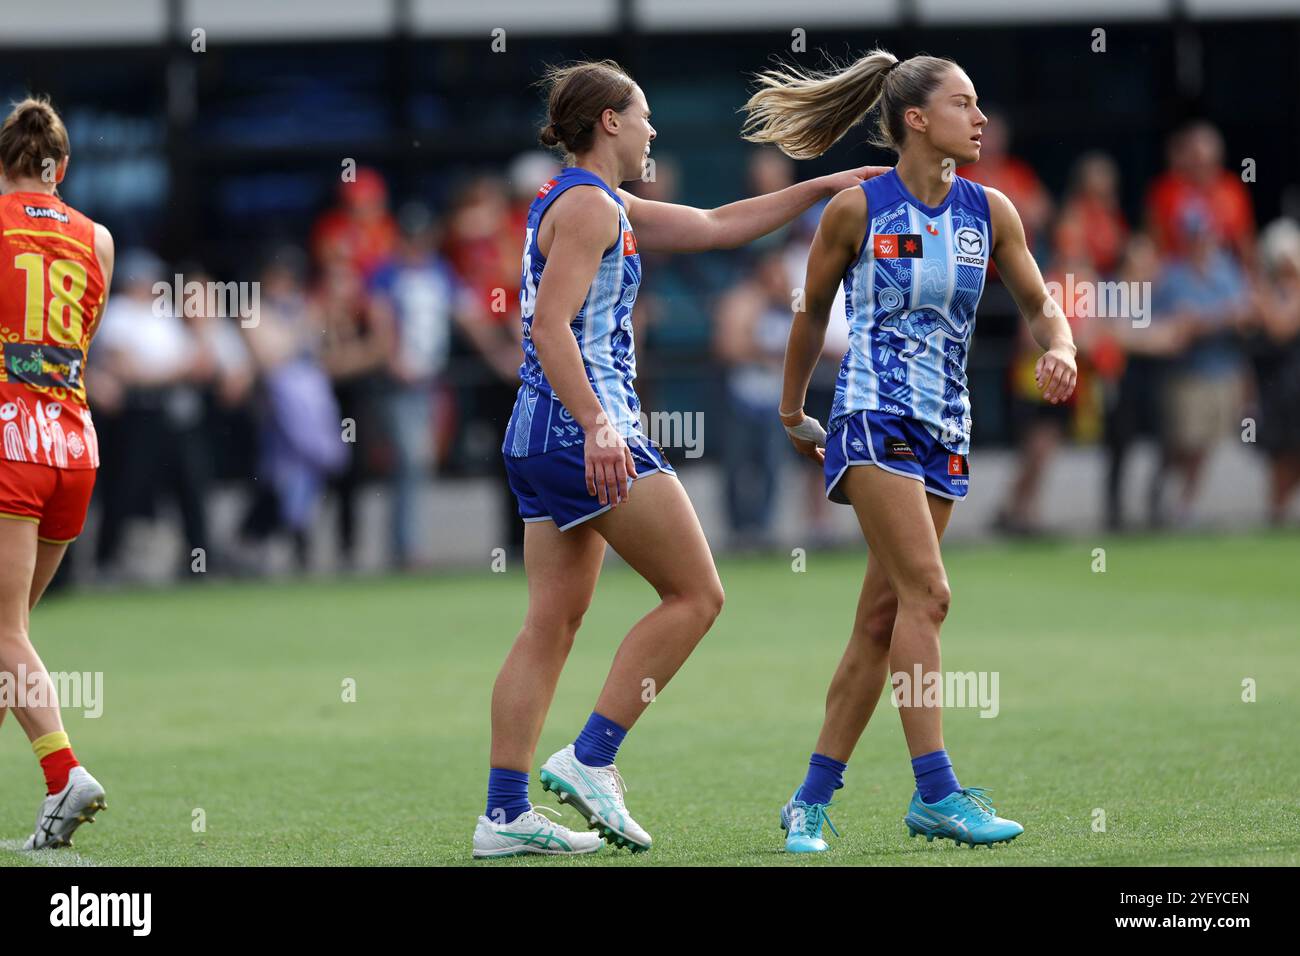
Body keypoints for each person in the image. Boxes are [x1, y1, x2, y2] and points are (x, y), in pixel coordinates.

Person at [473, 59, 885, 858]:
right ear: (611, 123)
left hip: (535, 432)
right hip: (585, 428)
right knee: (697, 594)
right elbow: (553, 327)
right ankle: (591, 758)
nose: (655, 129)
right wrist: (597, 426)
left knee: (550, 624)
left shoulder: (589, 201)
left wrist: (821, 187)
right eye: (645, 114)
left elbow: (718, 224)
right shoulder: (594, 207)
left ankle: (504, 814)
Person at [743, 49, 1077, 851]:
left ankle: (810, 801)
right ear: (918, 120)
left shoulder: (991, 211)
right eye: (965, 103)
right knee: (929, 595)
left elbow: (1039, 301)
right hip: (870, 419)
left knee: (881, 619)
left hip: (945, 430)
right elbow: (809, 313)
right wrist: (794, 410)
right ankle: (938, 791)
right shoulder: (859, 209)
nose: (981, 116)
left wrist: (1059, 345)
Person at [0, 97, 115, 850]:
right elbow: (76, 340)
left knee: (1, 629)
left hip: (10, 439)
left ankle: (63, 770)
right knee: (9, 636)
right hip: (74, 446)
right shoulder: (97, 238)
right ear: (61, 169)